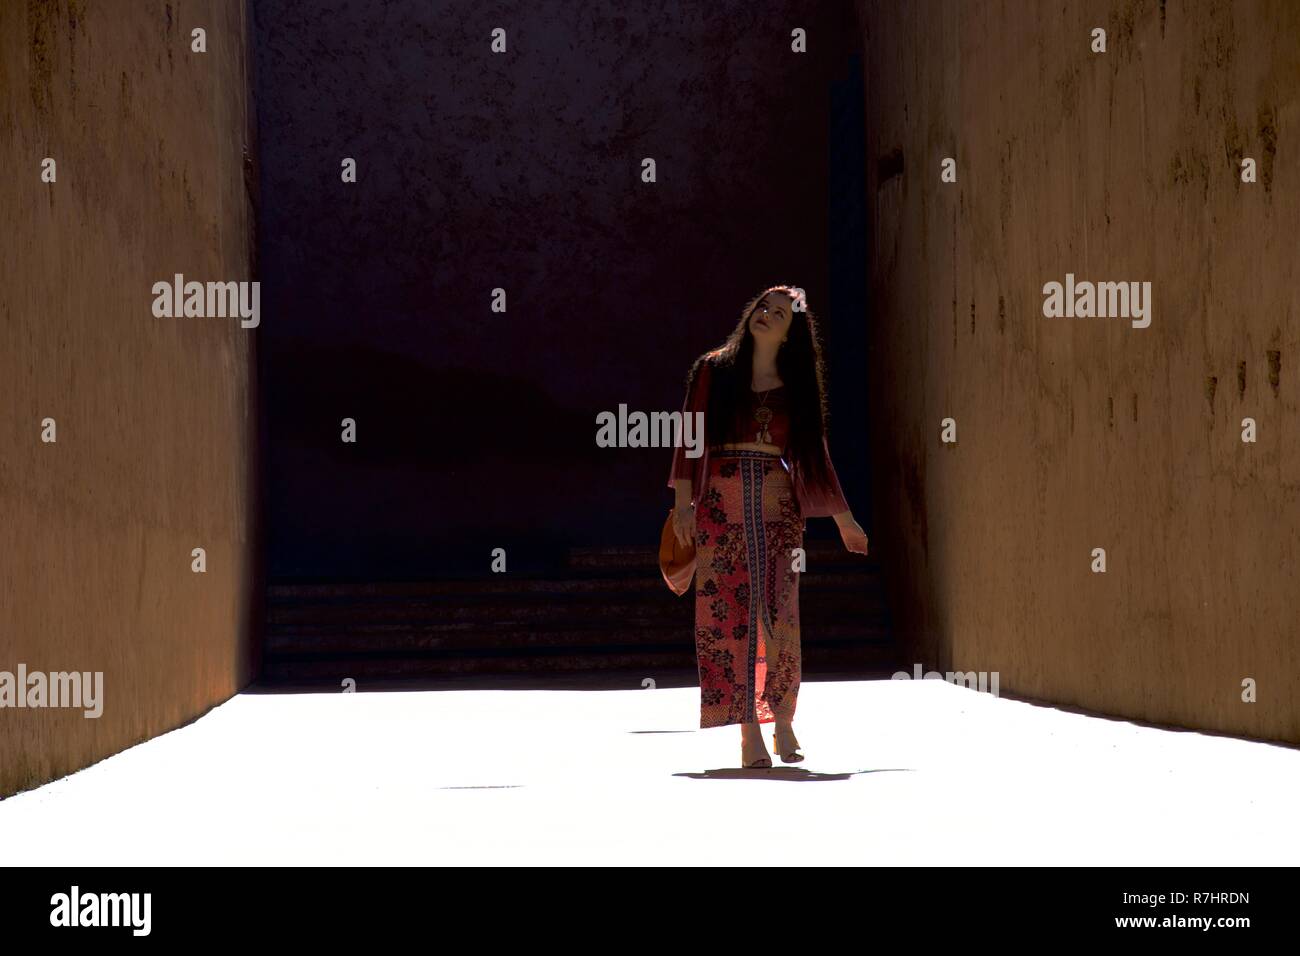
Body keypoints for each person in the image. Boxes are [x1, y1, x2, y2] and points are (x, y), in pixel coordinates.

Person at [668, 284, 868, 768]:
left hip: (779, 514)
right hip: (720, 505)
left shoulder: (796, 385)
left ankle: (782, 717)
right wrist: (682, 504)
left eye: (779, 314)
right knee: (728, 617)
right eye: (763, 307)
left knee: (780, 616)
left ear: (791, 332)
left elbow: (811, 456)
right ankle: (748, 733)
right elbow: (690, 436)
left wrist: (845, 520)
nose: (766, 315)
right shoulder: (714, 370)